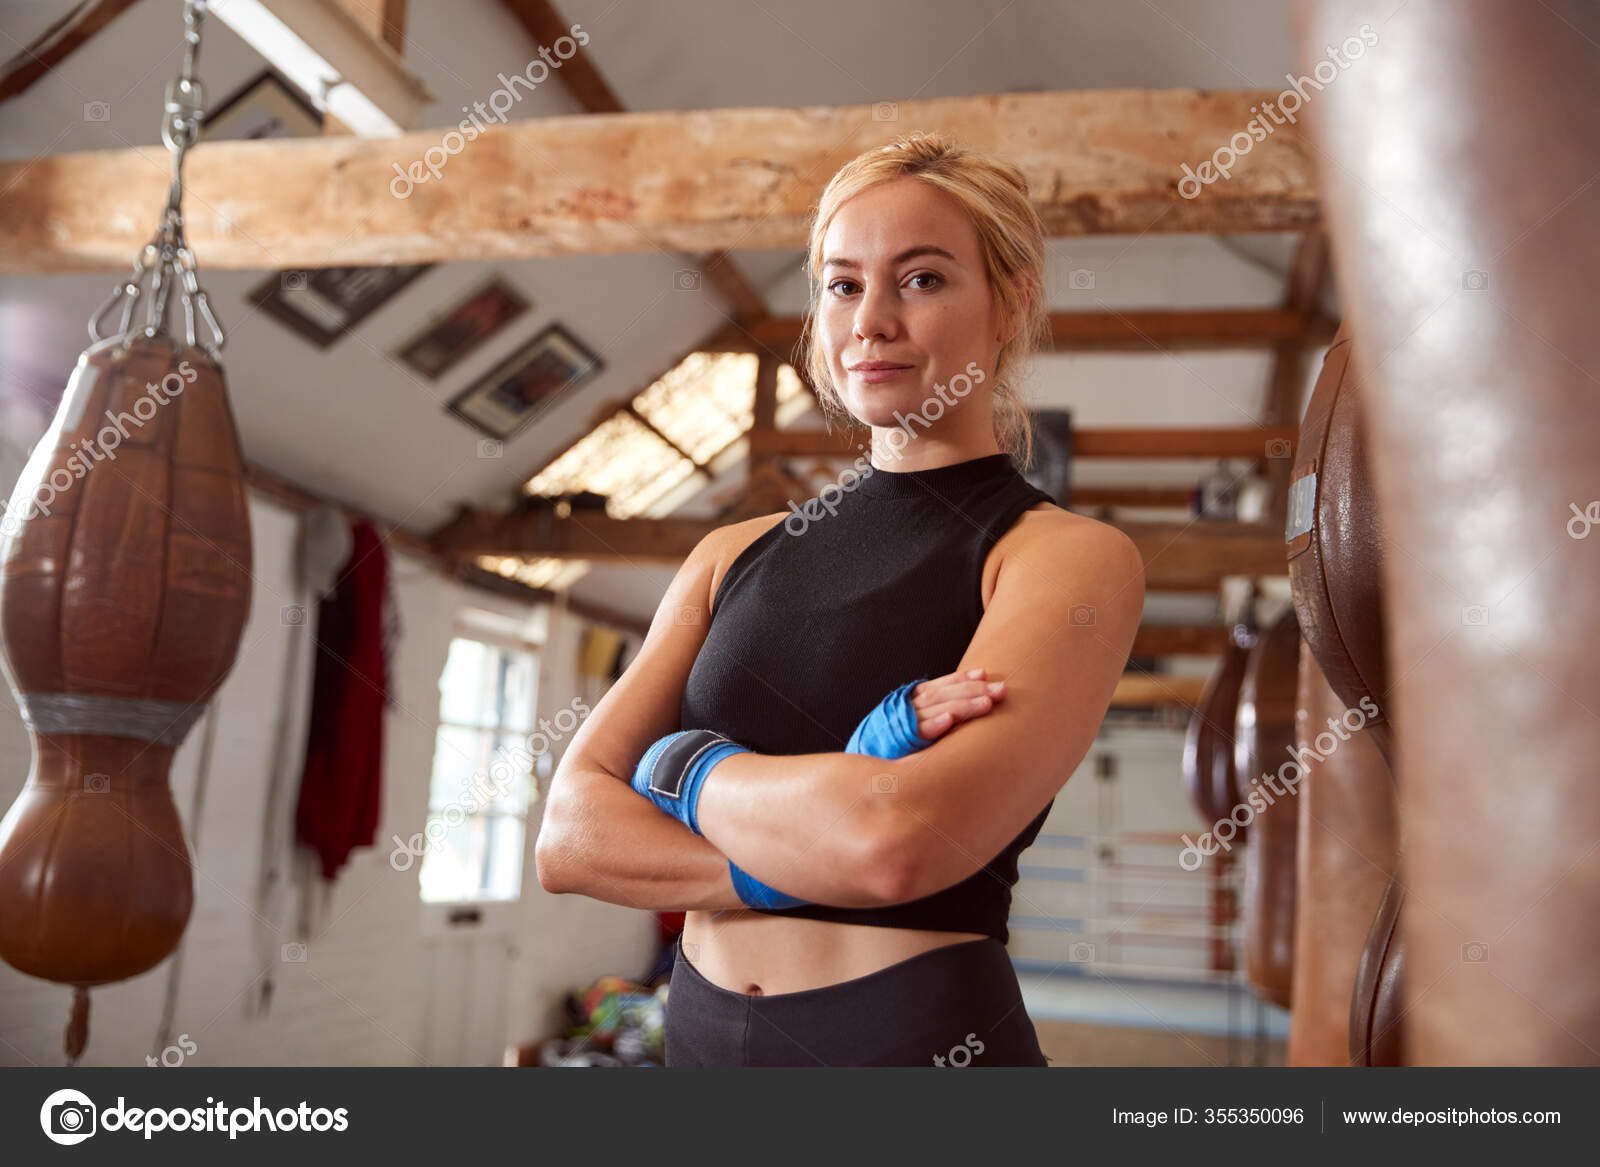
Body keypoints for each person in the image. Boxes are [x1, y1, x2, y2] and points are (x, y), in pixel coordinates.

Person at [535, 133, 1145, 1066]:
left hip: (909, 1042)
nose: (872, 321)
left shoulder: (1063, 557)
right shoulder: (727, 553)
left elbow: (901, 838)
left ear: (1010, 301)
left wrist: (682, 767)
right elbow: (573, 835)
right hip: (696, 1038)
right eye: (843, 283)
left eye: (924, 279)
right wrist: (787, 855)